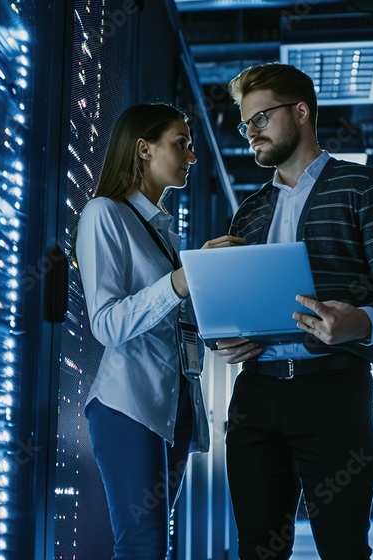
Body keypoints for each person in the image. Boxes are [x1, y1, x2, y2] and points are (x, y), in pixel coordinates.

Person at [215, 63, 373, 559]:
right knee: (257, 551)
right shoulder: (248, 211)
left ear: (301, 112)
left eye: (261, 118)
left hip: (334, 394)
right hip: (256, 397)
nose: (251, 134)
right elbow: (231, 304)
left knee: (343, 549)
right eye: (246, 124)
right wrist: (223, 336)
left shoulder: (364, 186)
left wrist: (363, 322)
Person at [75, 103, 244, 560]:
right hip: (129, 405)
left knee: (152, 546)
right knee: (142, 546)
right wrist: (182, 278)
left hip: (172, 409)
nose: (191, 155)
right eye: (182, 144)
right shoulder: (103, 214)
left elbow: (169, 322)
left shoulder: (164, 235)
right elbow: (107, 324)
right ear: (144, 148)